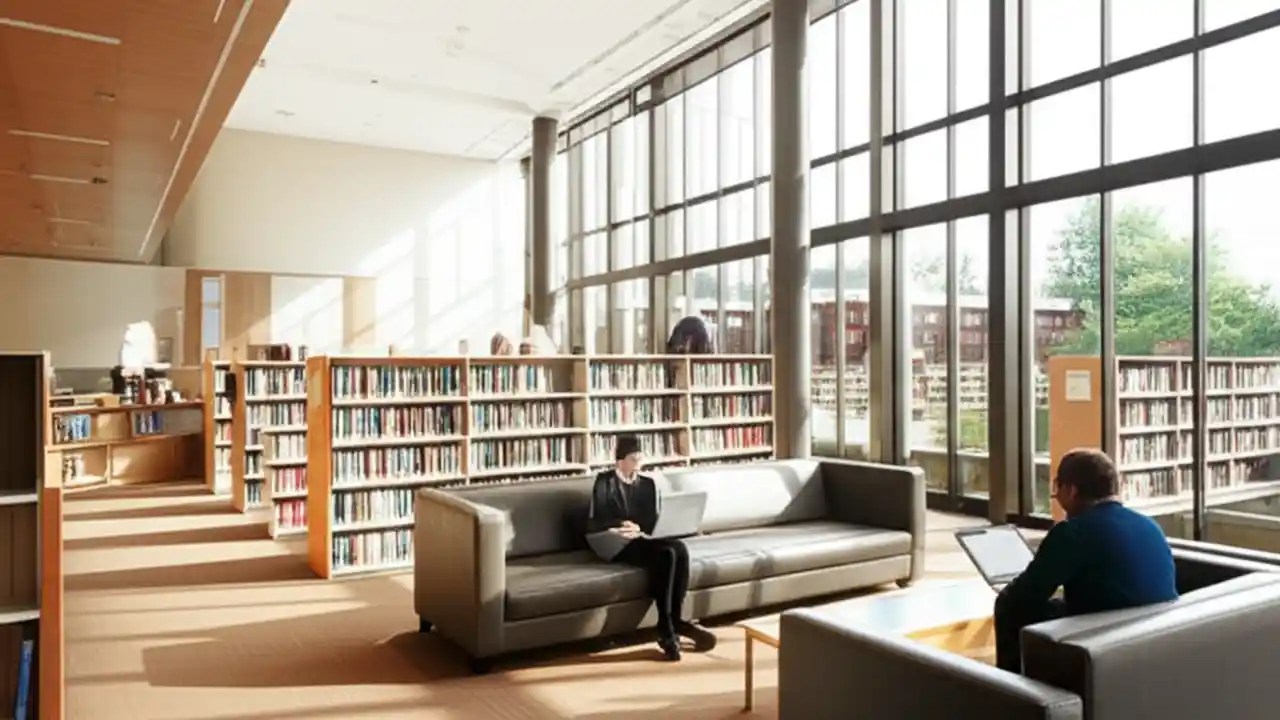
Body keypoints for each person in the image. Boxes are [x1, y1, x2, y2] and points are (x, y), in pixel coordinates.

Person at [994, 448, 1177, 672]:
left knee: (1007, 604)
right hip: (1156, 634)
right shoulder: (1149, 525)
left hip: (1102, 636)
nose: (1056, 496)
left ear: (1071, 490)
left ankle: (1013, 692)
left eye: (1057, 487)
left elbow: (1026, 594)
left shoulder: (1072, 532)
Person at [584, 435, 716, 660]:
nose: (638, 463)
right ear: (620, 461)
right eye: (633, 458)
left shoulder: (647, 484)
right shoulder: (604, 482)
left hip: (642, 537)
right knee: (665, 555)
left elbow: (651, 520)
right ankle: (667, 626)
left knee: (680, 550)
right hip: (614, 541)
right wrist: (620, 525)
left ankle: (673, 620)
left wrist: (642, 527)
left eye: (640, 458)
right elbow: (594, 520)